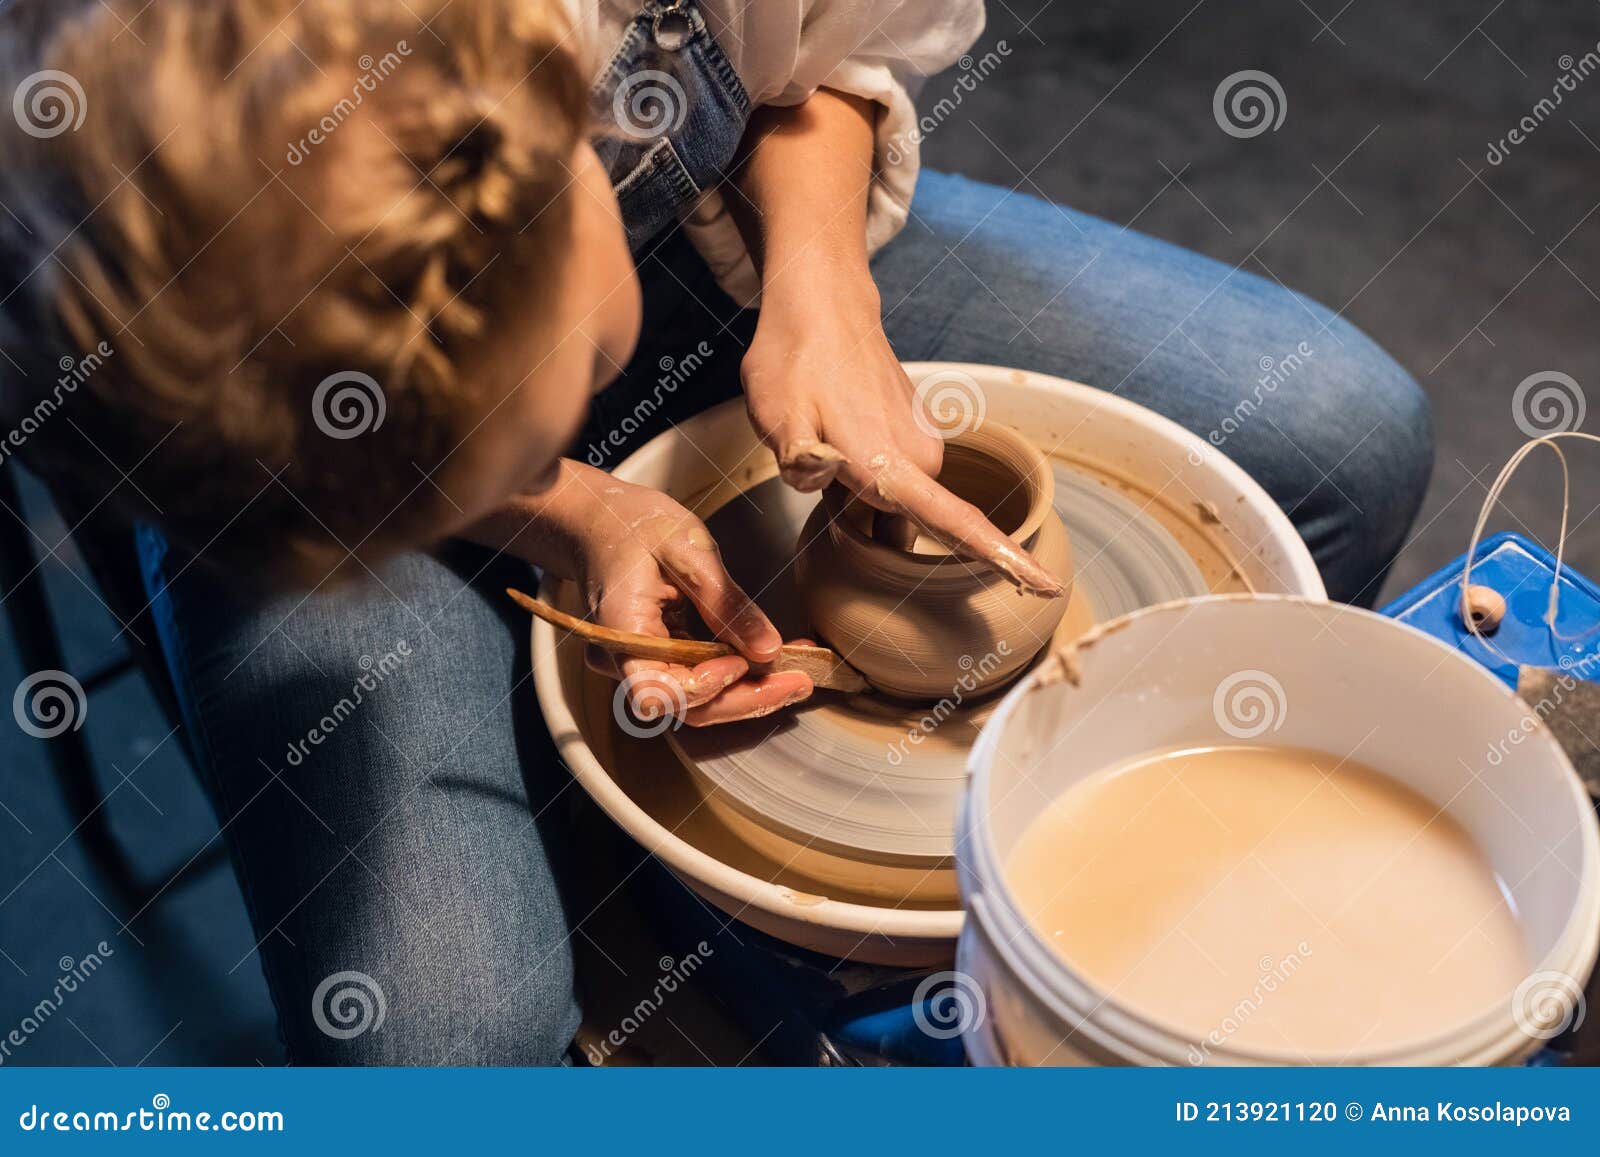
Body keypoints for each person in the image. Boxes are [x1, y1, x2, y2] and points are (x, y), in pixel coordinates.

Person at [0, 0, 1431, 1063]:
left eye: (547, 410)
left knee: (1346, 434)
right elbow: (282, 469)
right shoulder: (129, 233)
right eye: (505, 445)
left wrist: (824, 287)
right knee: (440, 1053)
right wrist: (569, 510)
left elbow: (815, 57)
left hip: (705, 233)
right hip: (309, 476)